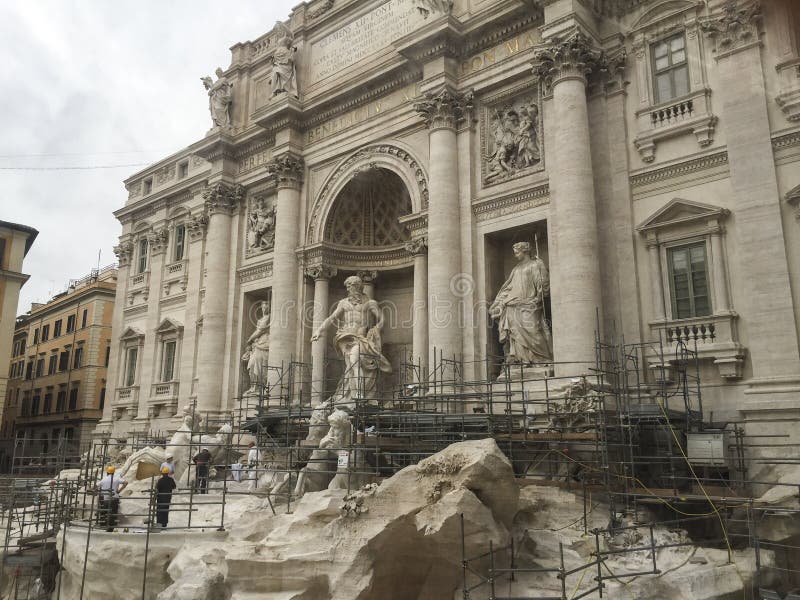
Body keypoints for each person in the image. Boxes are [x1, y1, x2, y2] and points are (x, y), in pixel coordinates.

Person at [311, 275, 391, 408]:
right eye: (347, 286)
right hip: (345, 337)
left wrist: (376, 329)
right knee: (351, 365)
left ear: (357, 286)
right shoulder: (343, 303)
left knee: (354, 361)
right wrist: (319, 330)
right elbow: (331, 318)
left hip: (360, 338)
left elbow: (382, 319)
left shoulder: (370, 303)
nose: (348, 289)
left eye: (350, 286)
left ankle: (359, 393)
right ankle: (353, 393)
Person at [489, 242, 553, 365]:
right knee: (515, 334)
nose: (515, 255)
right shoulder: (516, 268)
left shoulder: (536, 264)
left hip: (530, 303)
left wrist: (540, 293)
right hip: (513, 304)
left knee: (534, 331)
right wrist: (497, 303)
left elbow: (543, 284)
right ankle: (522, 360)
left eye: (517, 252)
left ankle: (542, 358)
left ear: (525, 251)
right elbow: (508, 287)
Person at [242, 300, 270, 393]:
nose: (264, 308)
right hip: (258, 343)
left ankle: (261, 386)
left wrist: (250, 339)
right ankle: (254, 386)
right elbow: (257, 332)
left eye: (266, 306)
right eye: (263, 307)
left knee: (261, 364)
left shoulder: (269, 317)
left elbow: (260, 331)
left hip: (265, 342)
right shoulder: (260, 320)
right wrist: (253, 341)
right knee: (252, 364)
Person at [97, 466, 128, 531]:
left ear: (107, 472)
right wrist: (119, 490)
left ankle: (103, 526)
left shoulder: (104, 479)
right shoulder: (116, 479)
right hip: (114, 498)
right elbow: (126, 482)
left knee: (105, 512)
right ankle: (111, 528)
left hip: (106, 499)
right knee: (113, 513)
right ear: (113, 472)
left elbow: (97, 485)